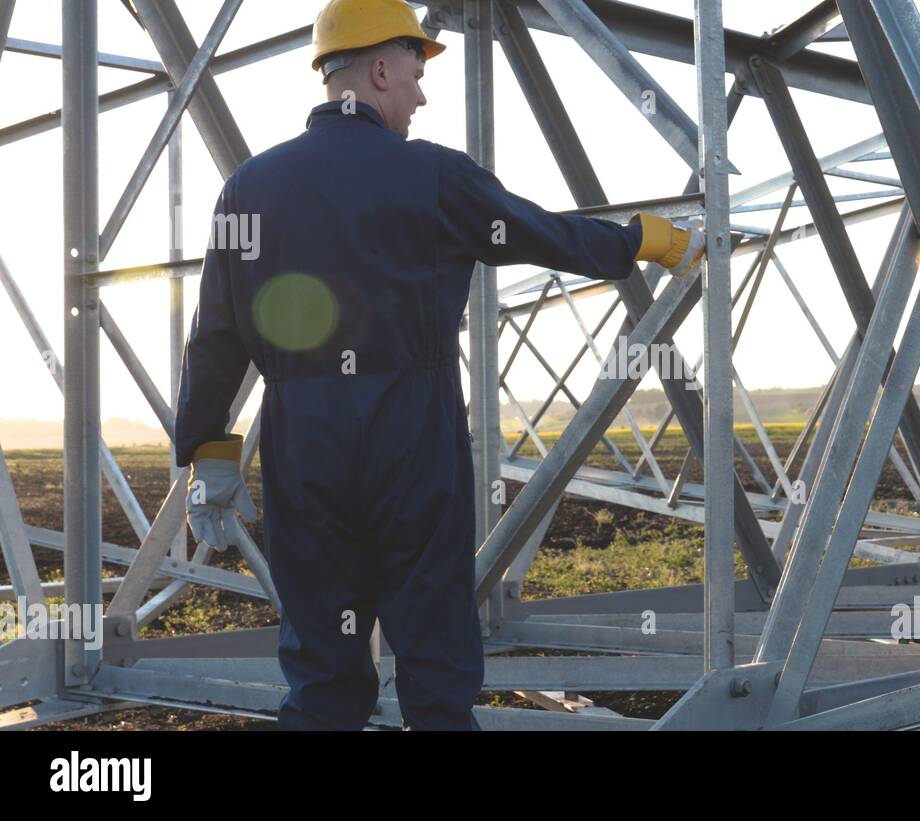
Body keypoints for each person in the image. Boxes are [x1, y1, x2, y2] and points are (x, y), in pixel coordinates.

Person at [173, 0, 705, 730]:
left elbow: (217, 335)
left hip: (305, 439)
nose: (421, 95)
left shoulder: (249, 188)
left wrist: (210, 449)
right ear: (381, 69)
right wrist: (643, 240)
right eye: (416, 74)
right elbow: (540, 233)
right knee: (435, 662)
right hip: (411, 430)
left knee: (323, 669)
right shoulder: (433, 176)